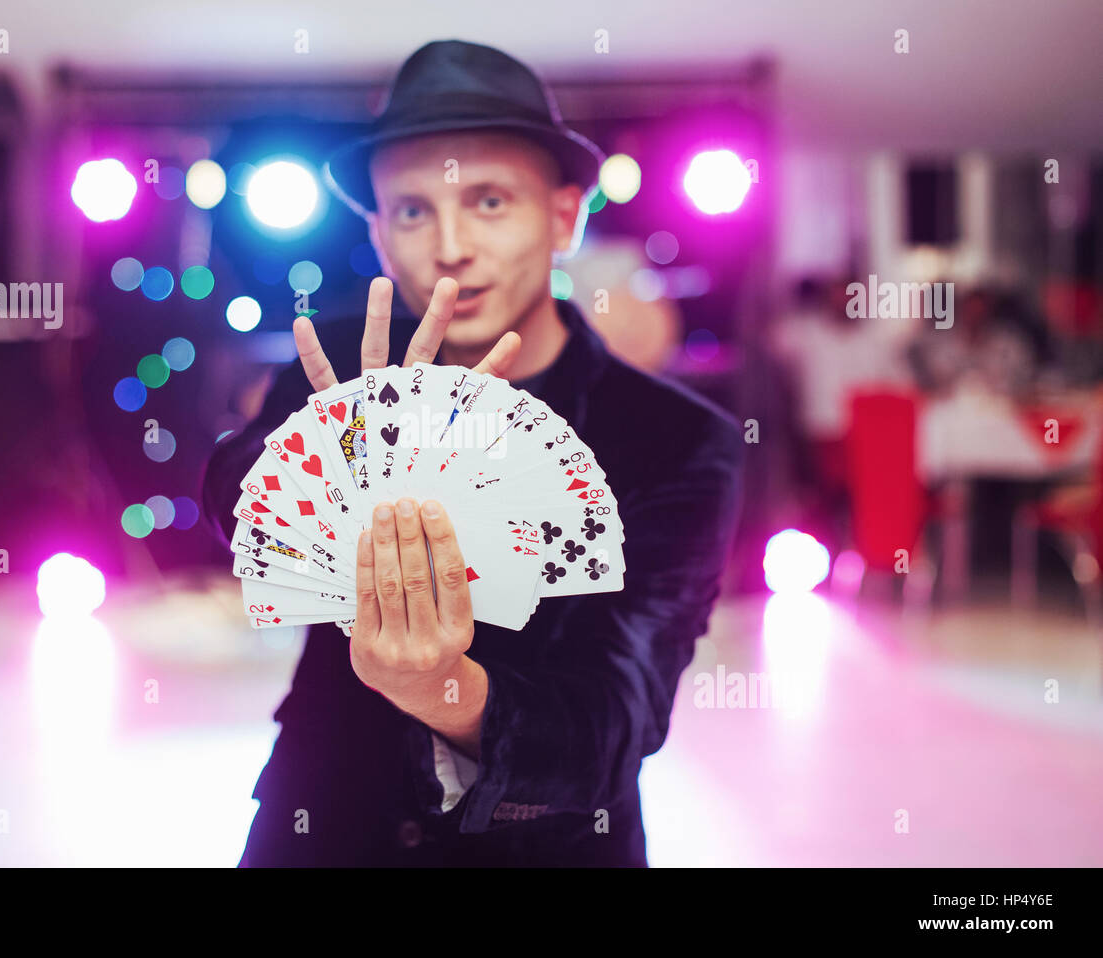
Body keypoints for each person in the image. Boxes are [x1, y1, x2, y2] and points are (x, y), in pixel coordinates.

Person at [202, 39, 744, 866]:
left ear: (564, 217)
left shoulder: (675, 441)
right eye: (413, 210)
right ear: (381, 235)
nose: (449, 246)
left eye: (489, 201)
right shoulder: (337, 368)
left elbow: (617, 719)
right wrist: (336, 445)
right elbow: (242, 503)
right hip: (321, 830)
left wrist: (440, 689)